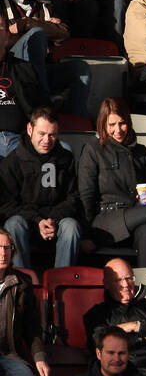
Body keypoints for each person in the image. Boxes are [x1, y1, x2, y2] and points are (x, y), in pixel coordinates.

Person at [78, 99, 146, 269]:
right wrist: (85, 235)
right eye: (111, 124)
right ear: (103, 125)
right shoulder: (93, 150)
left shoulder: (140, 151)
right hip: (104, 221)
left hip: (134, 215)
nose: (117, 130)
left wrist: (144, 200)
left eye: (122, 123)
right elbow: (86, 195)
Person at [1, 0, 85, 117]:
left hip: (43, 68)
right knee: (37, 34)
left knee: (80, 69)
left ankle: (76, 122)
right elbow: (5, 40)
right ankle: (44, 101)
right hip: (14, 69)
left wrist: (26, 24)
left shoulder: (45, 4)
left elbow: (63, 33)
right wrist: (45, 27)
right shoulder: (2, 5)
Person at [0, 108, 81, 267]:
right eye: (42, 134)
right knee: (13, 224)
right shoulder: (12, 162)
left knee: (72, 227)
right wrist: (37, 220)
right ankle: (22, 283)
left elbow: (73, 197)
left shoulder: (66, 159)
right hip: (27, 223)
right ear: (30, 129)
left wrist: (53, 220)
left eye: (52, 135)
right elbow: (6, 204)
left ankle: (62, 283)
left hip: (56, 222)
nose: (47, 140)